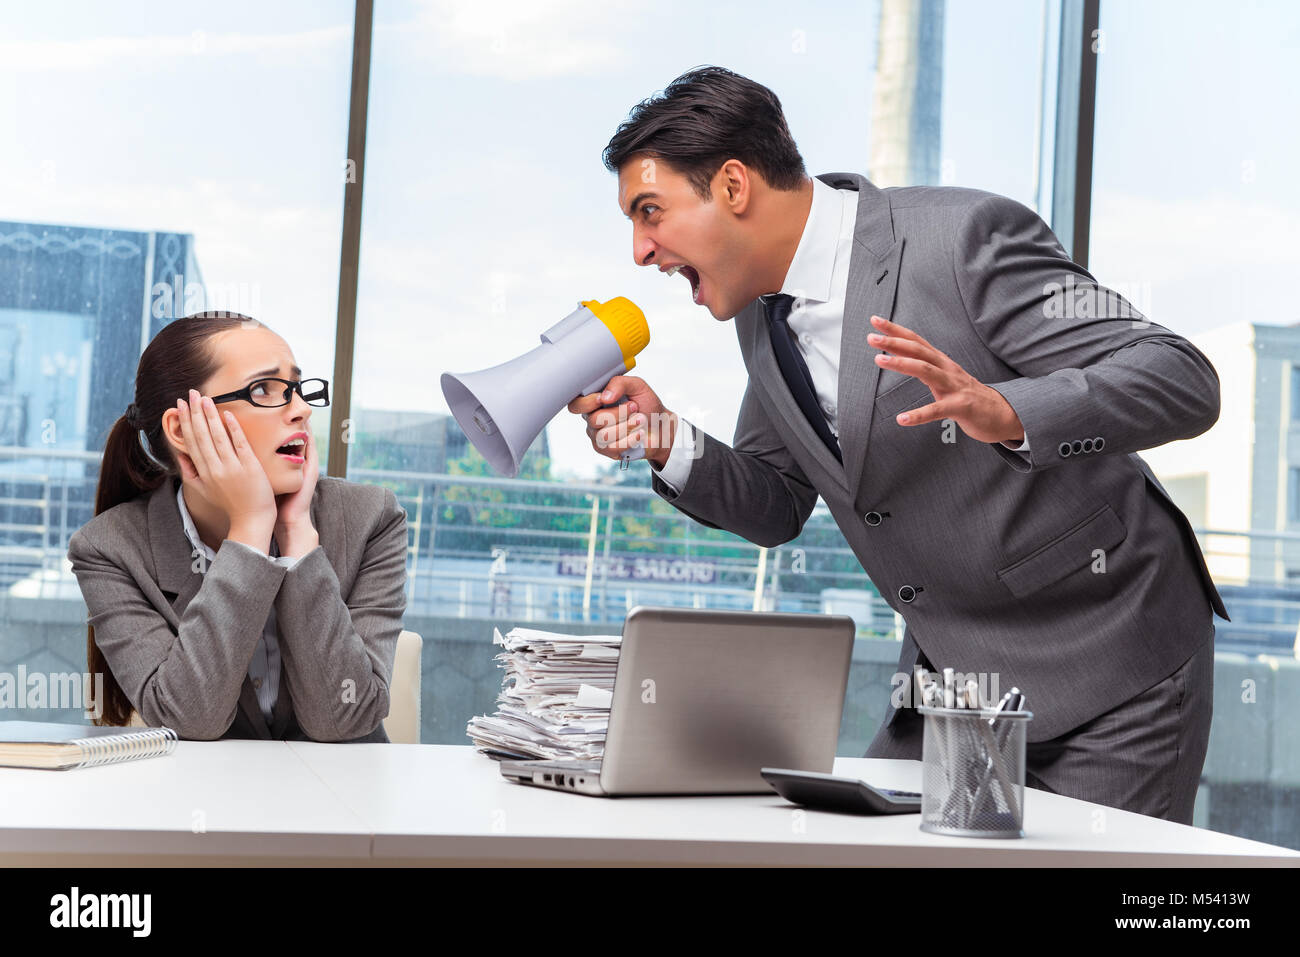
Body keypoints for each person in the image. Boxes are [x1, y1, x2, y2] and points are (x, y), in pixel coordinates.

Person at [568, 66, 1227, 825]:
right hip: (959, 682)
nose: (639, 251)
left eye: (650, 212)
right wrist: (664, 438)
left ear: (734, 186)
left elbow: (1179, 375)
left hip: (1114, 664)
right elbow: (778, 501)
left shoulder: (964, 241)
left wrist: (1006, 407)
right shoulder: (761, 314)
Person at [68, 311, 408, 742]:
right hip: (202, 803)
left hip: (344, 801)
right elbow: (189, 718)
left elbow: (343, 719)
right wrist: (249, 528)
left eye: (298, 388)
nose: (302, 410)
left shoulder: (372, 518)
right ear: (182, 427)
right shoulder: (108, 549)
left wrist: (297, 536)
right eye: (265, 388)